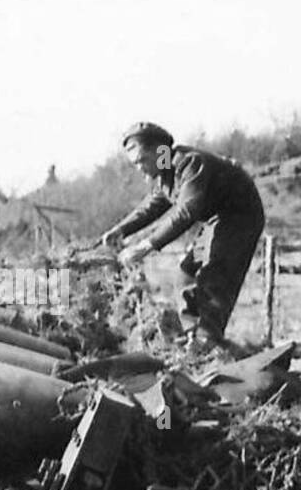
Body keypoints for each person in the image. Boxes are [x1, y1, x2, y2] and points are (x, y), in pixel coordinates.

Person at [101, 122, 266, 348]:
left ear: (161, 151)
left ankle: (208, 340)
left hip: (239, 218)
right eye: (135, 163)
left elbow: (187, 210)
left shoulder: (189, 163)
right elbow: (154, 205)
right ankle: (192, 336)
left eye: (142, 160)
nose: (140, 168)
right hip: (216, 221)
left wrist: (147, 245)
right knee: (184, 274)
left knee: (214, 275)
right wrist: (121, 229)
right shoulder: (165, 174)